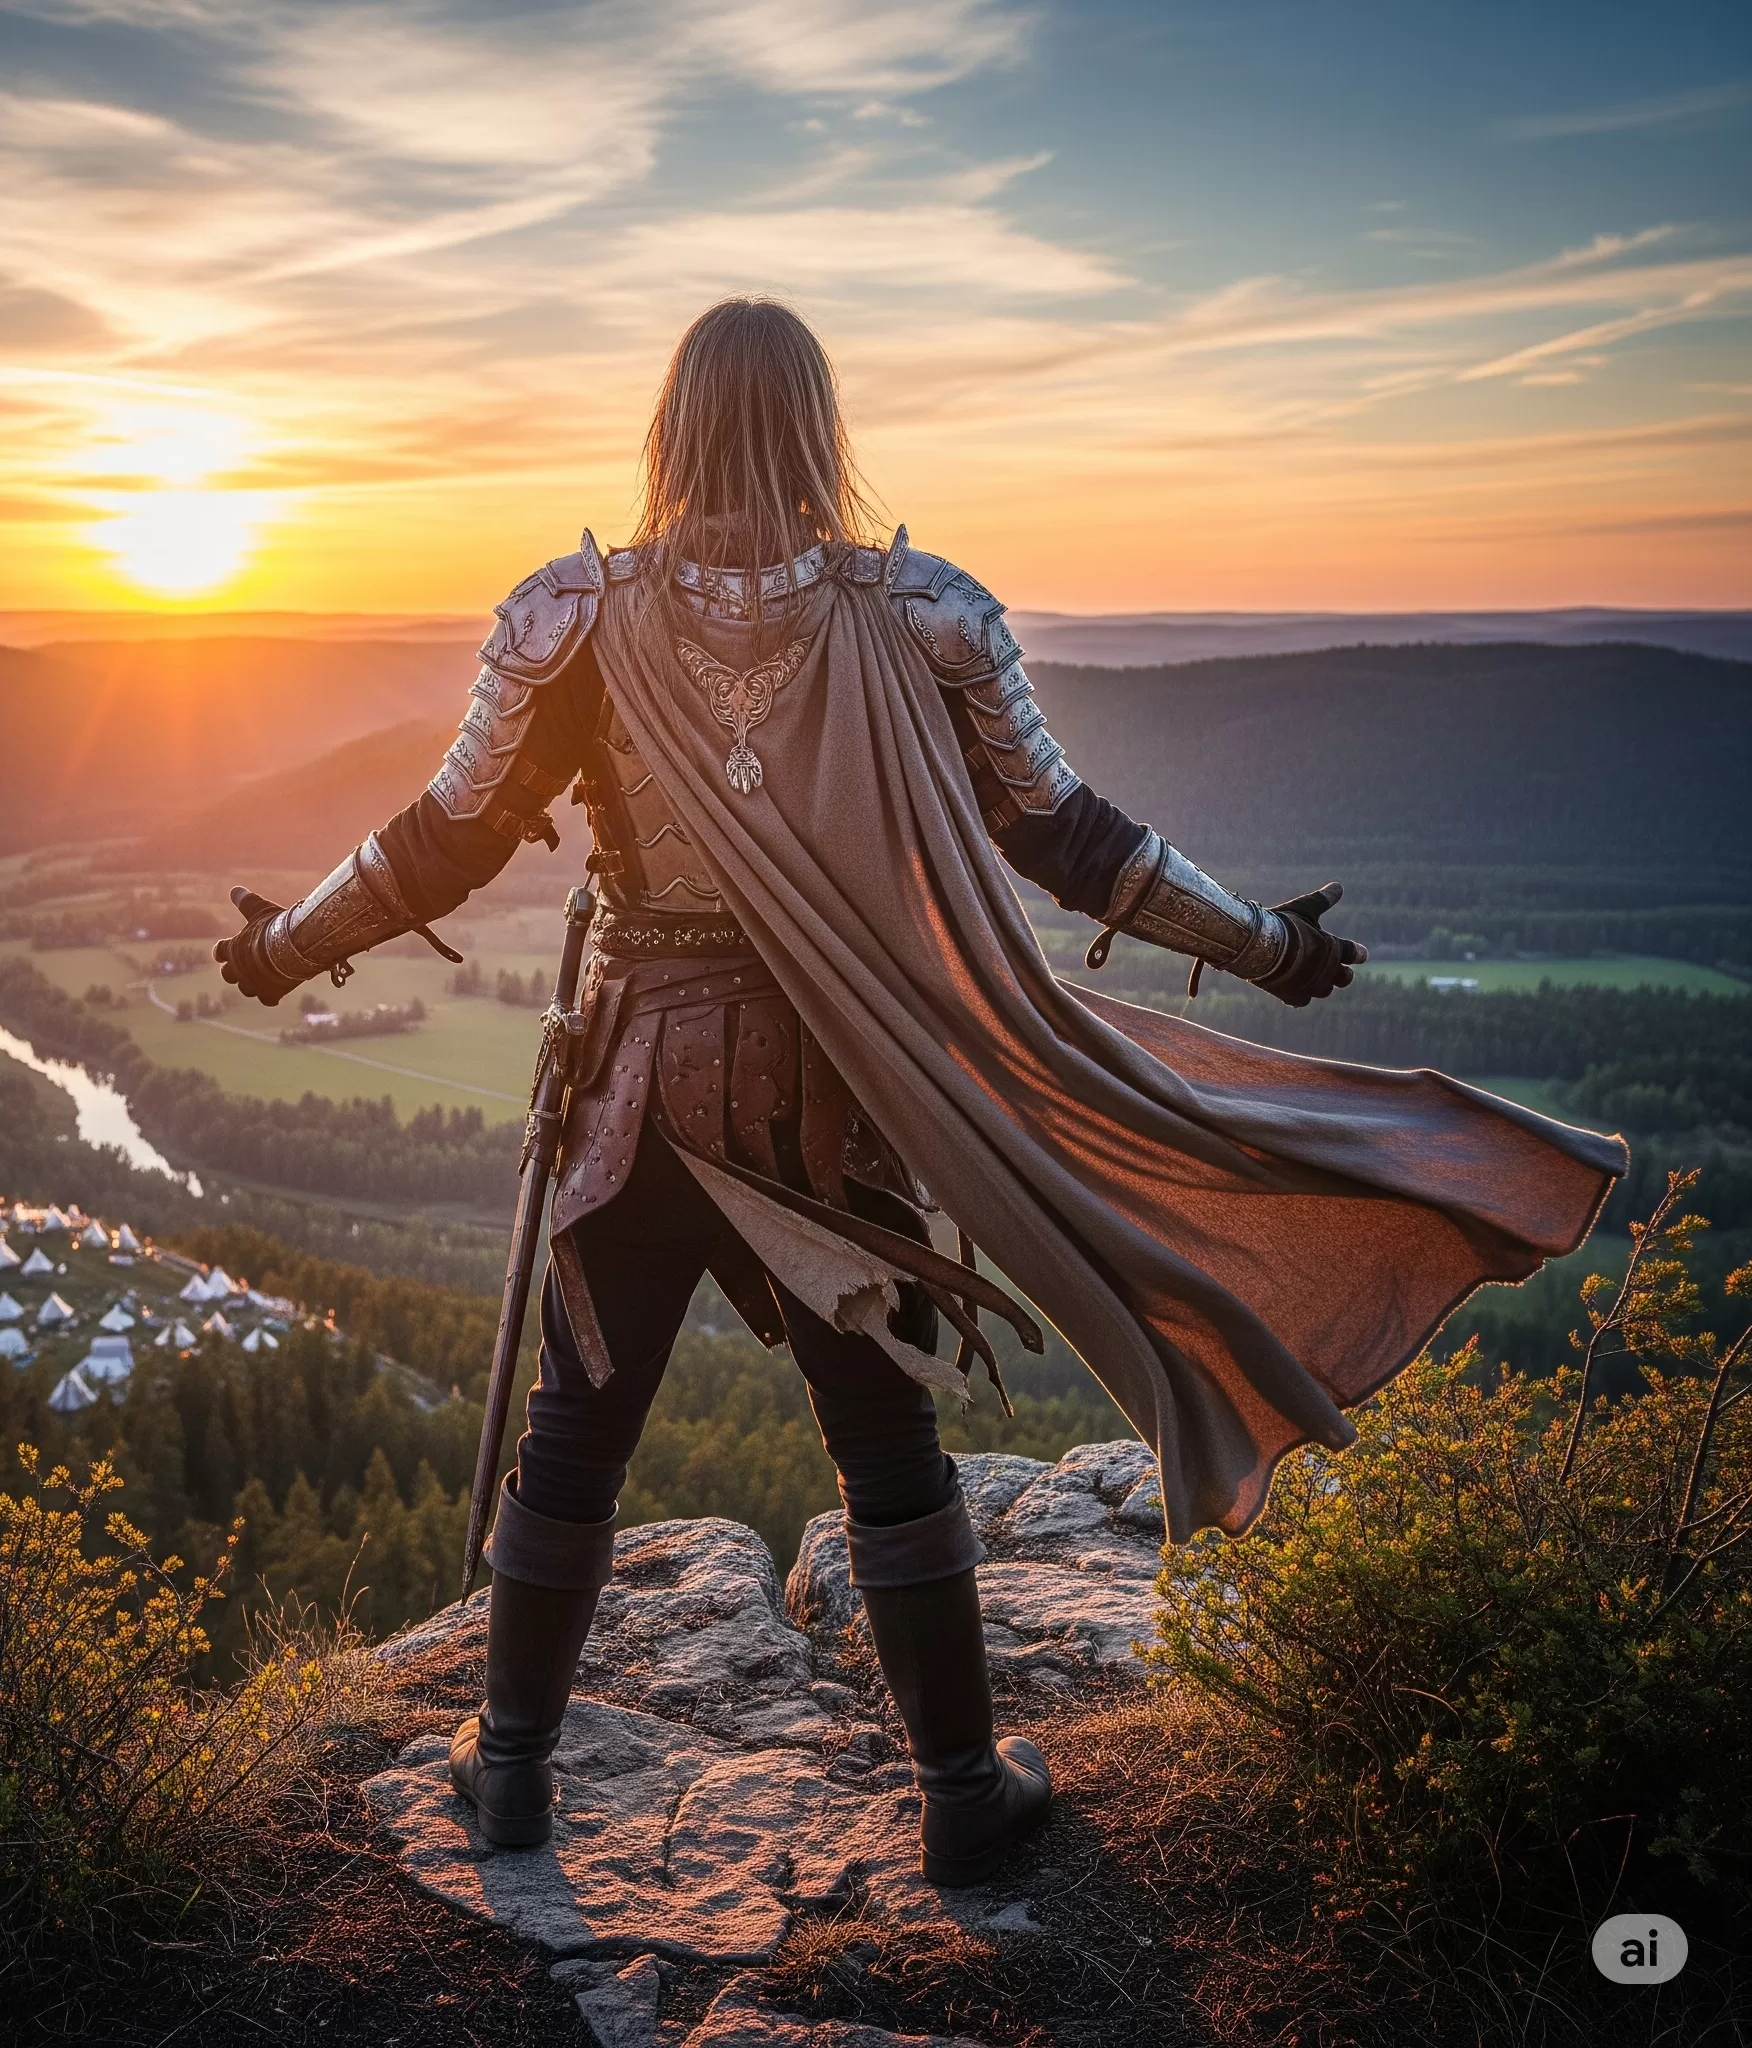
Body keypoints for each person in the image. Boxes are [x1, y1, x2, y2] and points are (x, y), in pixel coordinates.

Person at [216, 299, 1624, 1888]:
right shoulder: (926, 616)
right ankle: (962, 1788)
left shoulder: (573, 618)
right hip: (843, 1076)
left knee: (576, 1425)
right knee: (881, 1435)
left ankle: (519, 1773)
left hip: (639, 1080)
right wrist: (1267, 946)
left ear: (670, 425)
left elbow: (440, 836)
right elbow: (1074, 836)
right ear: (821, 423)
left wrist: (282, 946)